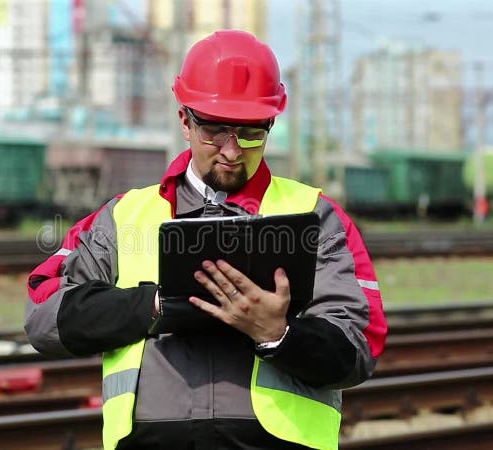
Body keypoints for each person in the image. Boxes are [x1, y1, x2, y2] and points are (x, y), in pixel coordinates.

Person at [25, 30, 387, 450]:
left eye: (251, 133)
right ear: (185, 120)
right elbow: (42, 314)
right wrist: (154, 306)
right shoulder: (122, 217)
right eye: (215, 131)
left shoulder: (317, 218)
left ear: (271, 123)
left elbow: (362, 343)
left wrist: (279, 334)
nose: (232, 151)